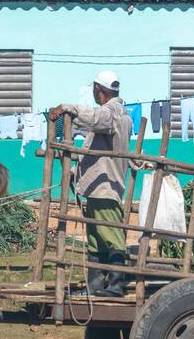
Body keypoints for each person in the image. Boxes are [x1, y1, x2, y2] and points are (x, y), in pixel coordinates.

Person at [48, 70, 133, 297]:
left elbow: (97, 119)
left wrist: (69, 108)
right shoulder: (120, 115)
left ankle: (116, 285)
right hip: (98, 187)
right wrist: (77, 172)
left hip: (106, 188)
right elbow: (96, 152)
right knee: (96, 240)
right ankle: (95, 286)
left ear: (99, 90)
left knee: (112, 236)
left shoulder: (111, 113)